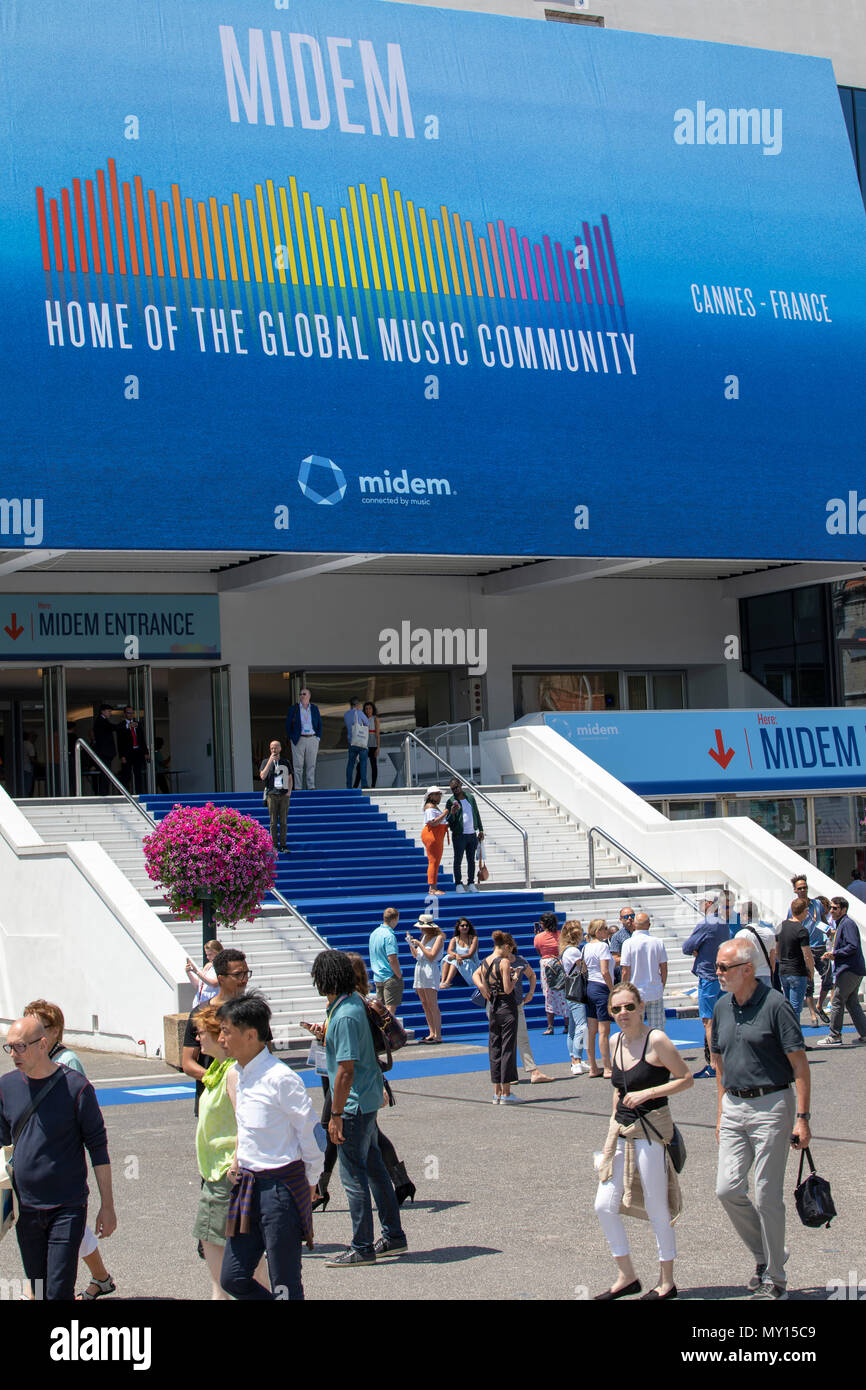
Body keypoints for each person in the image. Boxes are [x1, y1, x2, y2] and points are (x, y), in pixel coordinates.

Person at [711, 939, 812, 1300]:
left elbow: (800, 1066)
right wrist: (721, 1113)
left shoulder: (776, 1005)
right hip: (735, 1106)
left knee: (768, 1194)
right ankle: (765, 1256)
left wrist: (802, 1118)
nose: (717, 973)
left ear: (748, 970)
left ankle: (776, 1278)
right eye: (717, 966)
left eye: (724, 967)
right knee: (727, 1188)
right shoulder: (721, 1006)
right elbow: (719, 1065)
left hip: (773, 1105)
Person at [0, 1015, 116, 1301]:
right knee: (38, 1291)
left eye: (20, 1047)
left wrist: (108, 1206)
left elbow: (98, 1148)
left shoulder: (76, 1088)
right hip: (24, 1206)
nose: (13, 1054)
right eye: (9, 1047)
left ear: (42, 1044)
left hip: (68, 1206)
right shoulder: (6, 1087)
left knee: (58, 1292)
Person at [216, 993, 320, 1300]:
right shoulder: (240, 1074)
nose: (221, 1038)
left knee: (284, 1284)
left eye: (226, 1031)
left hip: (281, 1189)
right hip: (248, 1187)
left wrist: (312, 1180)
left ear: (250, 1035)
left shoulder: (280, 1078)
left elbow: (312, 1133)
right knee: (233, 1278)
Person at [593, 983, 693, 1300]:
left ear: (641, 1007)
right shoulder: (613, 1040)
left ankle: (667, 1282)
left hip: (651, 1132)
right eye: (616, 1009)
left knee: (655, 1205)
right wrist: (613, 1117)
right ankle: (627, 1276)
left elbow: (686, 1078)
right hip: (620, 1132)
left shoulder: (657, 1041)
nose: (623, 1013)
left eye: (629, 1007)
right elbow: (618, 1088)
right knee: (604, 1205)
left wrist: (649, 1092)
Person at [311, 950, 408, 1265]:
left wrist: (336, 1115)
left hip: (353, 1104)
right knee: (375, 1168)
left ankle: (362, 1246)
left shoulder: (345, 1013)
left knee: (353, 1177)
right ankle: (393, 1235)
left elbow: (345, 1070)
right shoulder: (351, 1005)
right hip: (365, 1098)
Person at [191, 1000, 269, 1300]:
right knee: (237, 1270)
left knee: (225, 1270)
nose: (197, 1038)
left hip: (226, 1176)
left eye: (201, 1032)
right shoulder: (216, 1071)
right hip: (217, 1175)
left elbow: (244, 1122)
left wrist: (235, 1162)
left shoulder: (231, 1074)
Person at [182, 948, 252, 1113]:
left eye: (246, 973)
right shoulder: (201, 1014)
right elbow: (187, 1062)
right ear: (221, 978)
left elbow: (265, 1052)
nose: (244, 979)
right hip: (211, 1099)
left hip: (246, 1099)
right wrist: (216, 1078)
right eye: (238, 975)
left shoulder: (252, 1012)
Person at [682, 898, 732, 1079]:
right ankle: (725, 1059)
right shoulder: (723, 924)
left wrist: (697, 950)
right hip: (721, 975)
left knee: (709, 1022)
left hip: (708, 976)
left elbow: (687, 947)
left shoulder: (706, 923)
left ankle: (714, 1064)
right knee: (724, 1019)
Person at [474, 930, 520, 1104]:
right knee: (508, 1047)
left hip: (492, 1005)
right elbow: (508, 989)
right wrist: (514, 977)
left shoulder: (486, 961)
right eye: (510, 949)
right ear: (506, 947)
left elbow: (475, 974)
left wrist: (482, 987)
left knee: (494, 1047)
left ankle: (496, 1092)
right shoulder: (504, 962)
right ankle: (507, 1092)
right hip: (507, 1006)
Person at [816, 895, 866, 1047]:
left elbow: (852, 946)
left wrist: (835, 954)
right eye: (831, 907)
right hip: (852, 968)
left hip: (849, 969)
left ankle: (835, 1035)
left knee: (837, 1000)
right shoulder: (841, 924)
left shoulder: (847, 923)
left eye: (835, 908)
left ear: (843, 910)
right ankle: (864, 1034)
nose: (831, 910)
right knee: (851, 1002)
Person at [504, 934, 554, 1084]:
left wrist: (531, 992)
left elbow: (532, 975)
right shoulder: (497, 961)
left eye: (508, 945)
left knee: (522, 1038)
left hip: (517, 1003)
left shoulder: (520, 960)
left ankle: (533, 1071)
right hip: (502, 1005)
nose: (506, 948)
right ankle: (509, 1074)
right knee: (506, 1040)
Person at [621, 912, 668, 1032]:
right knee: (657, 1030)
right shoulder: (658, 942)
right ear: (649, 925)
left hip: (635, 992)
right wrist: (661, 985)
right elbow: (663, 968)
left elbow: (625, 971)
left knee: (635, 1030)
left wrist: (623, 989)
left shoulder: (628, 943)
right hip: (654, 989)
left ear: (634, 925)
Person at [407, 912, 445, 1043]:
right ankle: (431, 1032)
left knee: (432, 1003)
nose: (421, 929)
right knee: (424, 1003)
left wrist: (420, 944)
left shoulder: (439, 937)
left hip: (430, 969)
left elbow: (432, 956)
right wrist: (411, 945)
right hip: (420, 968)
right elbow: (417, 955)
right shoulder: (424, 937)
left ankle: (438, 1035)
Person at [584, 919, 615, 1078]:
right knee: (604, 1030)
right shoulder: (602, 946)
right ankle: (607, 1067)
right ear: (597, 931)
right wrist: (612, 990)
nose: (607, 930)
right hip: (601, 987)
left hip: (590, 986)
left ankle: (593, 1066)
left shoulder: (586, 947)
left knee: (592, 1030)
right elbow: (605, 971)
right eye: (604, 928)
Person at [775, 898, 815, 1020]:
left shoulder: (780, 926)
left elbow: (776, 950)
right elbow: (807, 955)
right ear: (804, 911)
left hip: (783, 970)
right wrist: (811, 972)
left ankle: (788, 1035)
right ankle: (794, 1036)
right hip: (797, 971)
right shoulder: (802, 930)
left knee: (788, 1007)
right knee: (795, 1009)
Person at [559, 920, 589, 1076]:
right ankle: (577, 1059)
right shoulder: (575, 951)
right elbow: (584, 969)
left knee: (572, 1027)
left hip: (569, 991)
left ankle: (574, 1058)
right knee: (582, 1025)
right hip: (577, 991)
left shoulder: (565, 950)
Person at [445, 777, 485, 893]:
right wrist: (452, 812)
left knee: (471, 860)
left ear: (461, 785)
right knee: (458, 859)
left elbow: (476, 813)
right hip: (459, 834)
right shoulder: (451, 801)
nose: (455, 790)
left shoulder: (470, 798)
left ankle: (471, 882)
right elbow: (449, 820)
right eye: (452, 789)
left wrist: (481, 830)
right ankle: (458, 883)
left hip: (471, 833)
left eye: (457, 787)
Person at [534, 911, 567, 1034]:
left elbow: (539, 951)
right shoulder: (561, 935)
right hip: (559, 963)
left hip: (546, 964)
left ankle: (550, 1026)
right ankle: (567, 1025)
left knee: (548, 995)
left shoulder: (538, 937)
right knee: (563, 993)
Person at [259, 739, 292, 854]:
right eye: (272, 748)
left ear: (280, 748)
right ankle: (273, 845)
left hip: (283, 794)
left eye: (276, 747)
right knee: (273, 821)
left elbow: (289, 777)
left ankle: (283, 845)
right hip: (272, 794)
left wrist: (289, 792)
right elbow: (262, 776)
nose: (274, 750)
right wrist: (269, 762)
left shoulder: (285, 761)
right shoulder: (265, 762)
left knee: (283, 821)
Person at [286, 687, 322, 791]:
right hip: (299, 739)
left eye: (304, 694)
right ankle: (298, 787)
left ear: (309, 696)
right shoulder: (294, 709)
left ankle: (311, 786)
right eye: (300, 694)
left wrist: (318, 737)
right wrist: (291, 738)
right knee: (298, 765)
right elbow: (288, 725)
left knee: (311, 764)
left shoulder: (314, 708)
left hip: (312, 738)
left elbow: (319, 723)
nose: (302, 696)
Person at [733, 903, 777, 988]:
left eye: (740, 915)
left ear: (746, 916)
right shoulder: (770, 933)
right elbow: (772, 960)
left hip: (748, 977)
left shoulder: (741, 935)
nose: (740, 918)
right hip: (766, 976)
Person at [369, 907, 403, 1015]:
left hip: (378, 975)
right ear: (395, 919)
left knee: (380, 1009)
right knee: (390, 1009)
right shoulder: (389, 935)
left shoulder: (374, 933)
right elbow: (392, 958)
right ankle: (388, 1031)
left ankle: (381, 1031)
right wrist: (398, 974)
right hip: (389, 975)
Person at [421, 786, 450, 895]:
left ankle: (433, 886)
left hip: (437, 834)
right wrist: (444, 813)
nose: (439, 797)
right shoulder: (429, 807)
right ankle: (432, 888)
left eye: (439, 794)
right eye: (437, 794)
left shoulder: (433, 807)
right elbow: (432, 822)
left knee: (435, 861)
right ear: (430, 796)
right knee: (433, 861)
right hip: (432, 834)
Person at [116, 705, 149, 794]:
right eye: (128, 713)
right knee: (126, 774)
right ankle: (124, 794)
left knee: (138, 773)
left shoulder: (137, 724)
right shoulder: (122, 725)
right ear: (125, 714)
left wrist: (146, 752)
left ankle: (140, 794)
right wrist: (122, 755)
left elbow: (142, 739)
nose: (130, 715)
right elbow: (120, 741)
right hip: (127, 753)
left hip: (137, 752)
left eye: (132, 713)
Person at [440, 917, 480, 989]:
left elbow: (470, 954)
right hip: (460, 961)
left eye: (467, 925)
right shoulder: (454, 939)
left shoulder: (474, 938)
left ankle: (447, 982)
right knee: (447, 958)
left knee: (455, 962)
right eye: (462, 926)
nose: (465, 927)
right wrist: (456, 955)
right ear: (458, 928)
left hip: (470, 963)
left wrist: (458, 957)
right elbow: (449, 951)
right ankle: (442, 981)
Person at [186, 938, 224, 1007]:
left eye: (210, 954)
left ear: (218, 953)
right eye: (207, 955)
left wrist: (197, 972)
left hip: (212, 1003)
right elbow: (198, 985)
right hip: (200, 1002)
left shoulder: (222, 966)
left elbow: (214, 983)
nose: (208, 957)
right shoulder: (208, 966)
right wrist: (189, 972)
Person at [91, 703, 117, 794]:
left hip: (105, 752)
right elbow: (111, 727)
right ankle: (104, 793)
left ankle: (104, 792)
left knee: (106, 774)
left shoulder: (103, 721)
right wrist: (124, 725)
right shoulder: (101, 721)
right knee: (105, 774)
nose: (110, 713)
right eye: (109, 711)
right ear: (103, 711)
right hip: (104, 752)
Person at [344, 697, 370, 789]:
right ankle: (364, 784)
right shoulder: (359, 713)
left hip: (351, 742)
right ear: (357, 705)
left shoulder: (346, 715)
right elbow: (367, 723)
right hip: (361, 742)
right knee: (363, 763)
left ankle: (349, 785)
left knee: (350, 764)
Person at [354, 702, 381, 788]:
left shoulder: (375, 719)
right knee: (359, 766)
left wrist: (378, 747)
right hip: (364, 745)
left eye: (370, 708)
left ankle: (373, 786)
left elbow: (377, 734)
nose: (368, 710)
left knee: (373, 766)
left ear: (372, 709)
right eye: (366, 709)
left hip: (373, 745)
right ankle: (355, 785)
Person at [608, 907, 636, 985]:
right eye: (626, 917)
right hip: (627, 975)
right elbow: (615, 959)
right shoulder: (617, 936)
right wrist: (633, 957)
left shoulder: (642, 932)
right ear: (621, 919)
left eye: (632, 916)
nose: (630, 918)